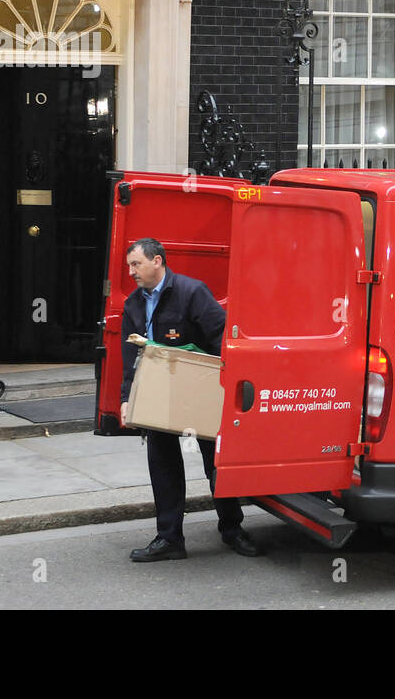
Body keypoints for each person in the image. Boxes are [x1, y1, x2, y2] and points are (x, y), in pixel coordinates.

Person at [120, 238, 261, 561]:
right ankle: (169, 539)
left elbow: (220, 338)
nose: (131, 272)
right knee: (163, 465)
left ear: (158, 261)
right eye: (130, 266)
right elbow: (130, 357)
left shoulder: (191, 292)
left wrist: (226, 387)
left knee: (216, 463)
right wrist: (127, 398)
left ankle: (232, 529)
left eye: (137, 264)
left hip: (201, 392)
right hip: (160, 395)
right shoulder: (133, 304)